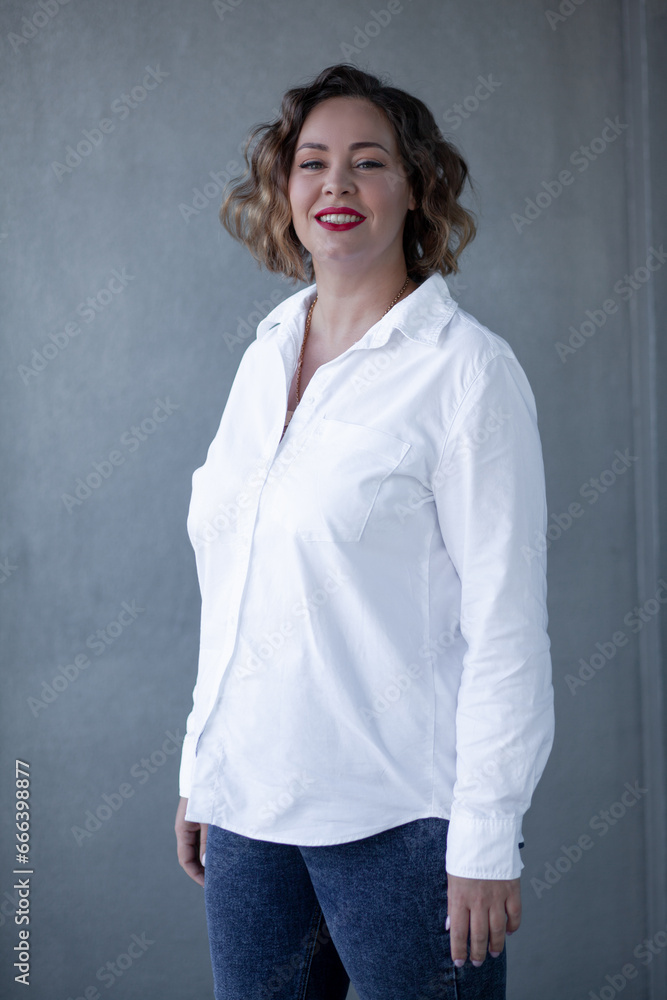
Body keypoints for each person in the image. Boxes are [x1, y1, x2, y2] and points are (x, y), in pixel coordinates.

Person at [175, 63, 555, 1000]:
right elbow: (233, 584)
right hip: (251, 818)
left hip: (403, 825)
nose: (334, 185)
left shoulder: (466, 374)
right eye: (311, 162)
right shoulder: (264, 357)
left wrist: (485, 832)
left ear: (416, 187)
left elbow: (506, 625)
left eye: (367, 161)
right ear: (285, 189)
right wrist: (203, 763)